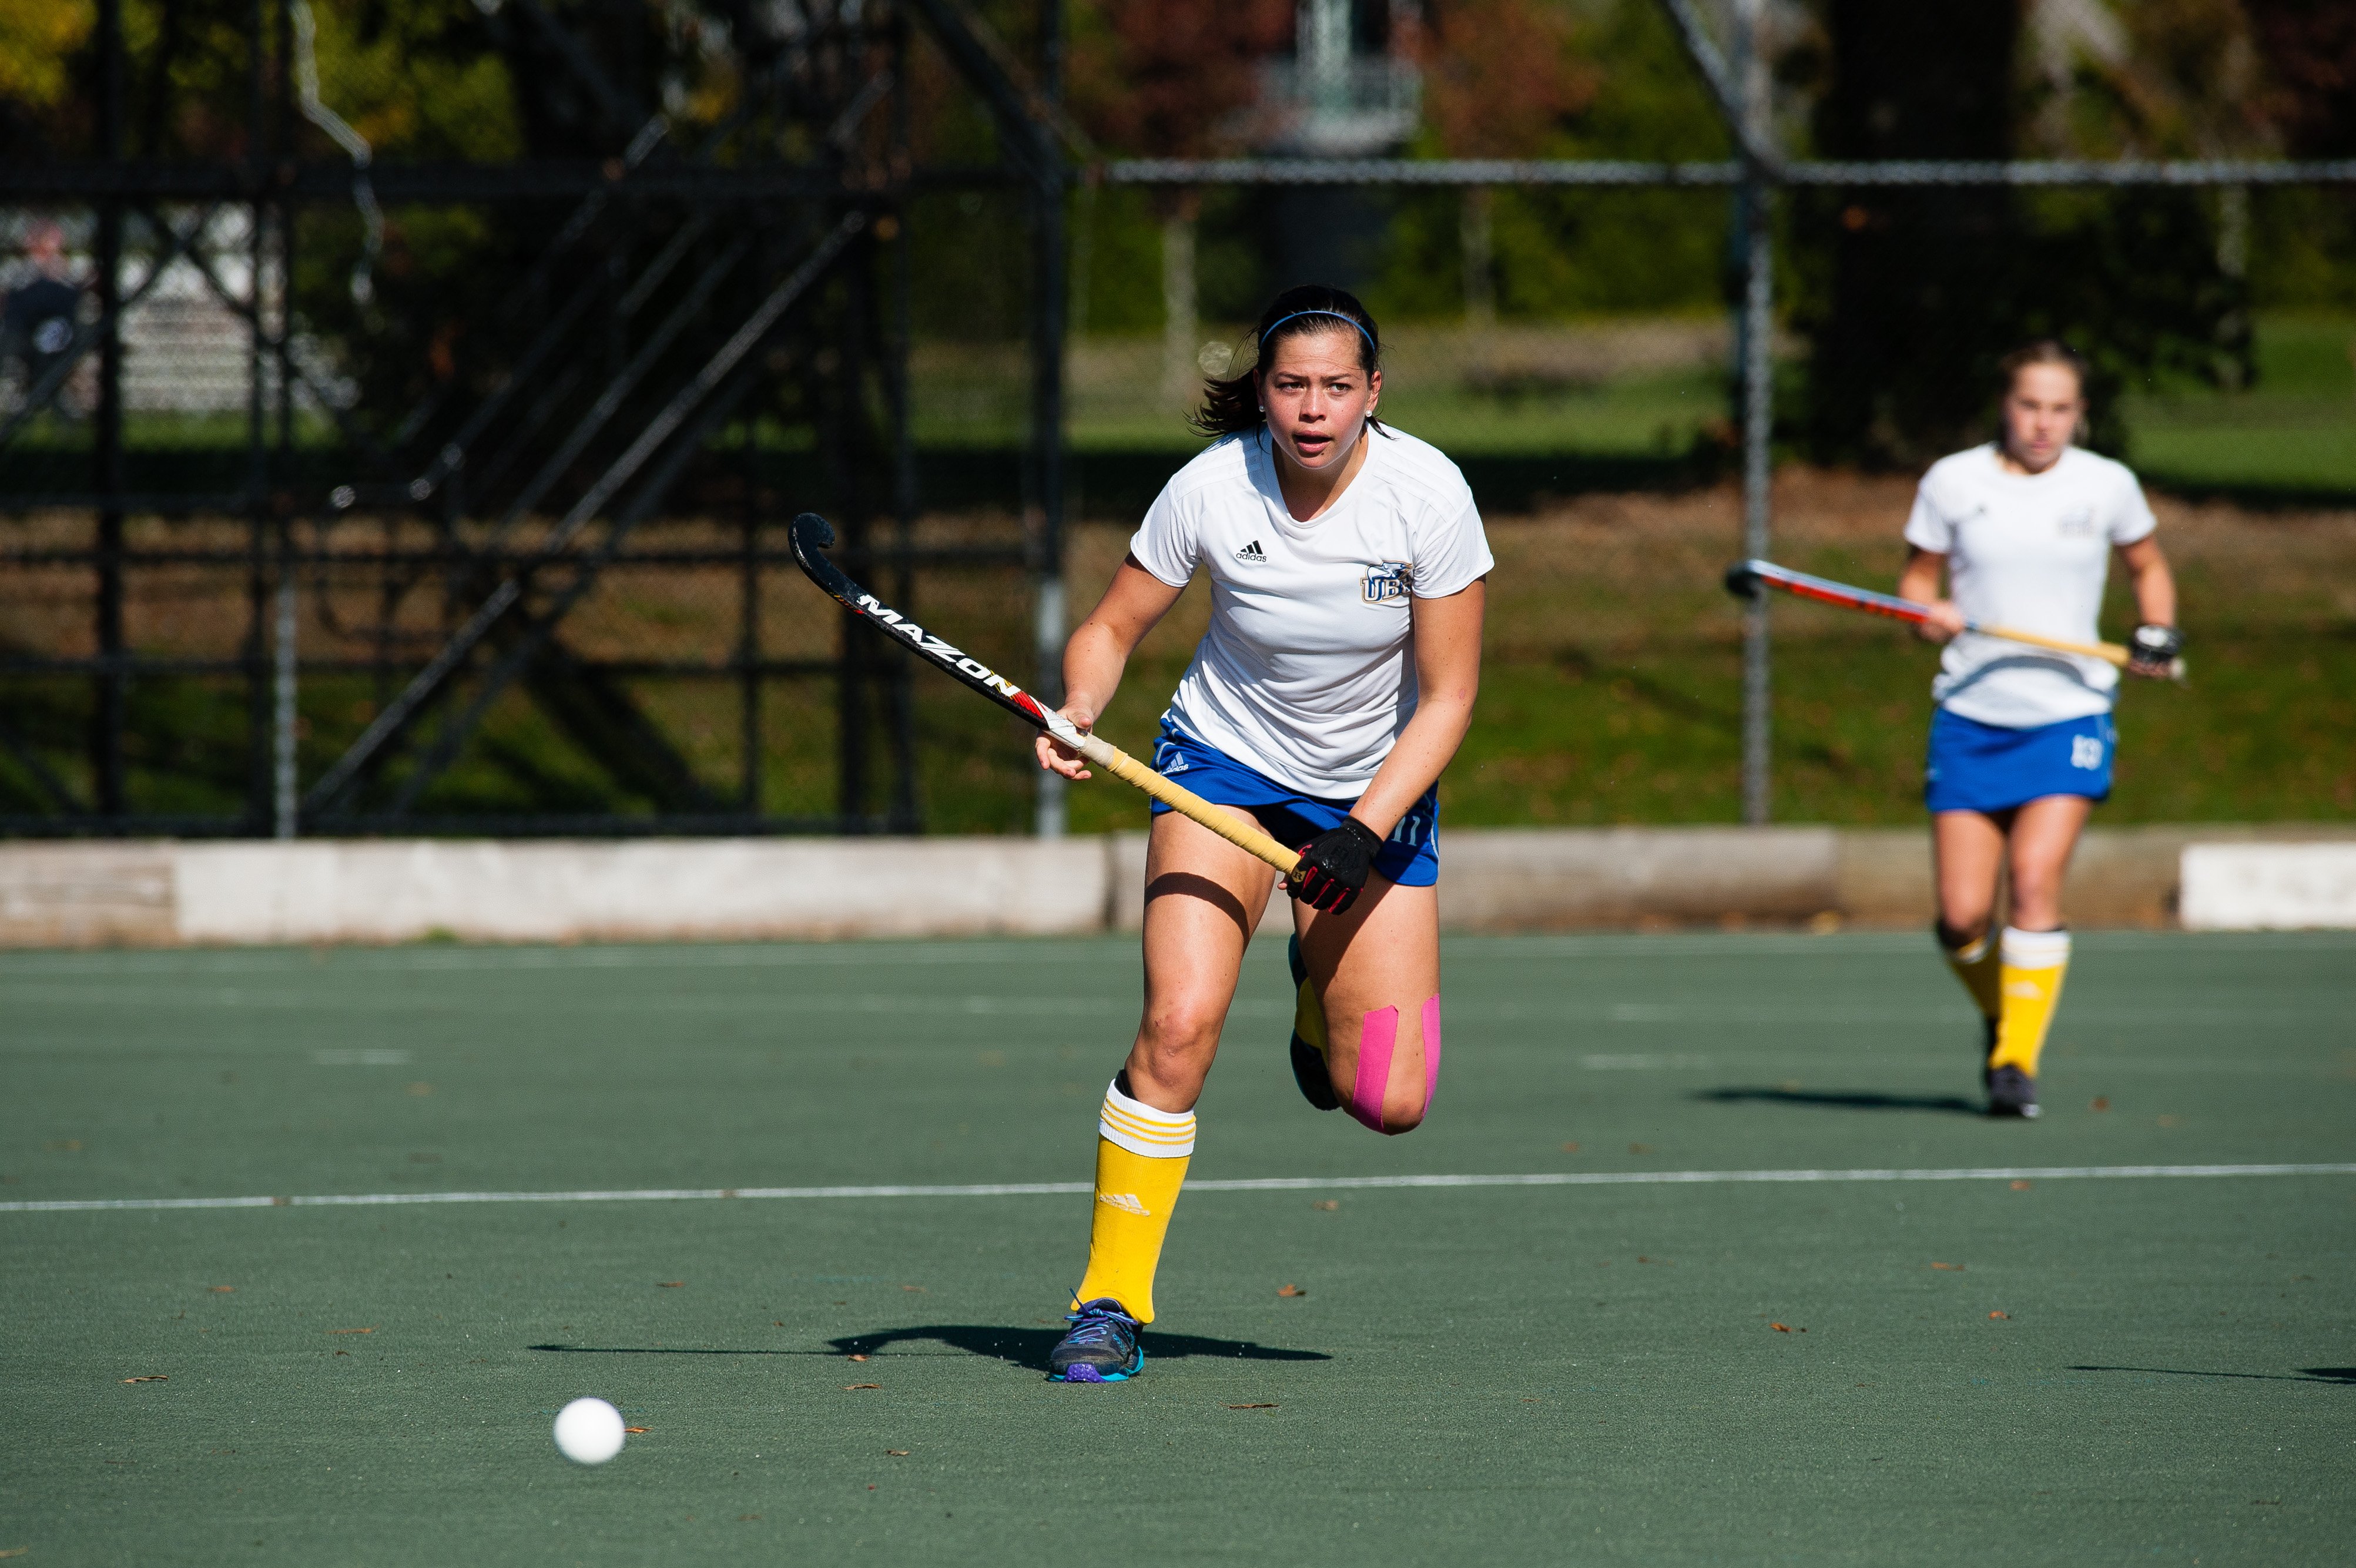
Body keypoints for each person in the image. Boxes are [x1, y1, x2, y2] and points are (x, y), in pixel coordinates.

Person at [1033, 284, 1491, 1382]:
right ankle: (1108, 1304)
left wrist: (1363, 831)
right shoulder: (1211, 487)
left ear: (1373, 393)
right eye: (1293, 385)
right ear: (1265, 393)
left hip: (1369, 795)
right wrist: (1081, 708)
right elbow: (1109, 625)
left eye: (1339, 387)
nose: (1315, 409)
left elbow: (1449, 699)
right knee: (1179, 1021)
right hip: (1220, 773)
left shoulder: (1427, 496)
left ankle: (1310, 982)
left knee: (1388, 1101)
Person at [1897, 340, 2179, 1119]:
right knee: (1960, 917)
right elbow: (1918, 582)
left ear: (2079, 413)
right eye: (2029, 405)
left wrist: (2156, 629)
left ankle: (2014, 1061)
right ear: (2004, 404)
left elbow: (2146, 567)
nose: (2042, 424)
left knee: (2031, 882)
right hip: (1970, 713)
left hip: (2069, 712)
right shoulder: (1952, 482)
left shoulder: (2106, 485)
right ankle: (2004, 1011)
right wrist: (1928, 614)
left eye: (2059, 409)